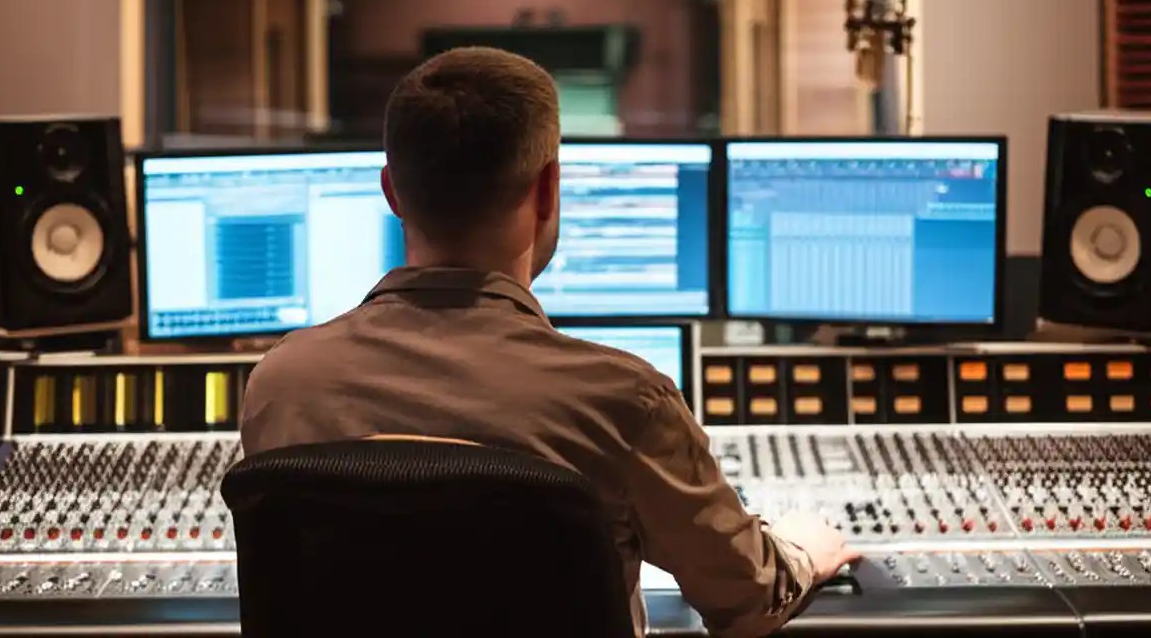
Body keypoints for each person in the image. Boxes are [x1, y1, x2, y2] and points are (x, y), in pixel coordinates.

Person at [239, 46, 859, 638]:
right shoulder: (625, 400)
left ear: (392, 192)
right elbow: (746, 604)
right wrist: (804, 550)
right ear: (548, 189)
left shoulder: (282, 382)